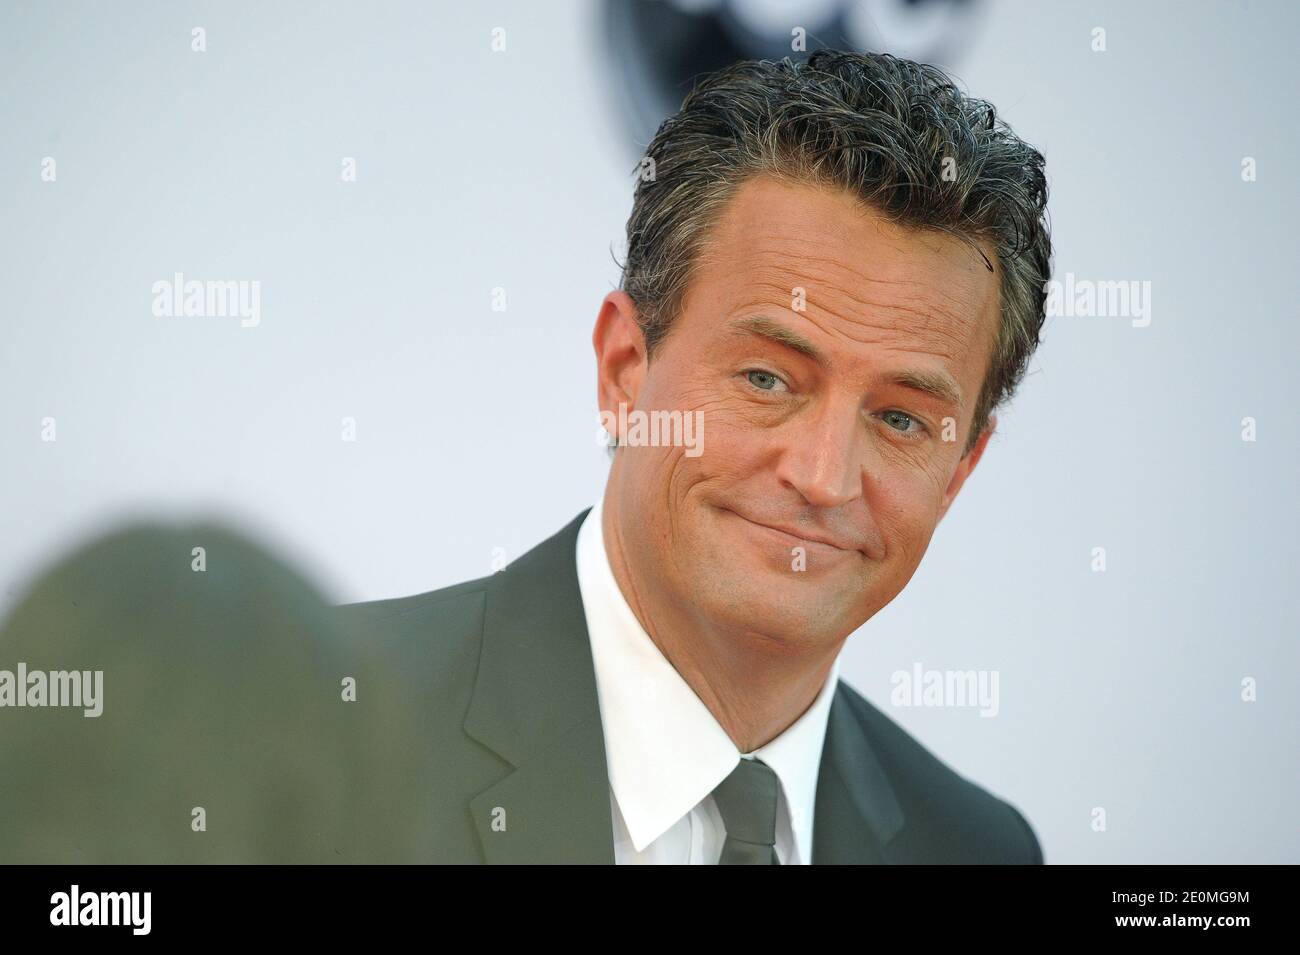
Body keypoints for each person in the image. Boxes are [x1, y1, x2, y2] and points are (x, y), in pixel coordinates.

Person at [338, 48, 1052, 863]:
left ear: (960, 470)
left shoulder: (976, 850)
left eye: (899, 419)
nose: (822, 477)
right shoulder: (301, 730)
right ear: (623, 370)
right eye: (767, 377)